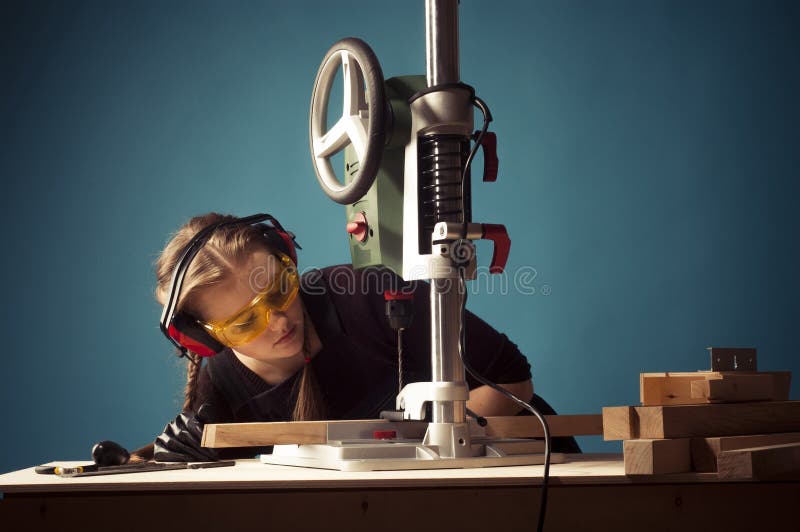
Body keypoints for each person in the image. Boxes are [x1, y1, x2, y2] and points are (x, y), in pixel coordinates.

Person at [141, 212, 578, 462]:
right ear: (206, 340)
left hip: (523, 469)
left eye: (280, 290)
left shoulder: (364, 296)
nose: (278, 322)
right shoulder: (222, 385)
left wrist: (407, 461)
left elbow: (513, 379)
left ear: (286, 258)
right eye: (244, 323)